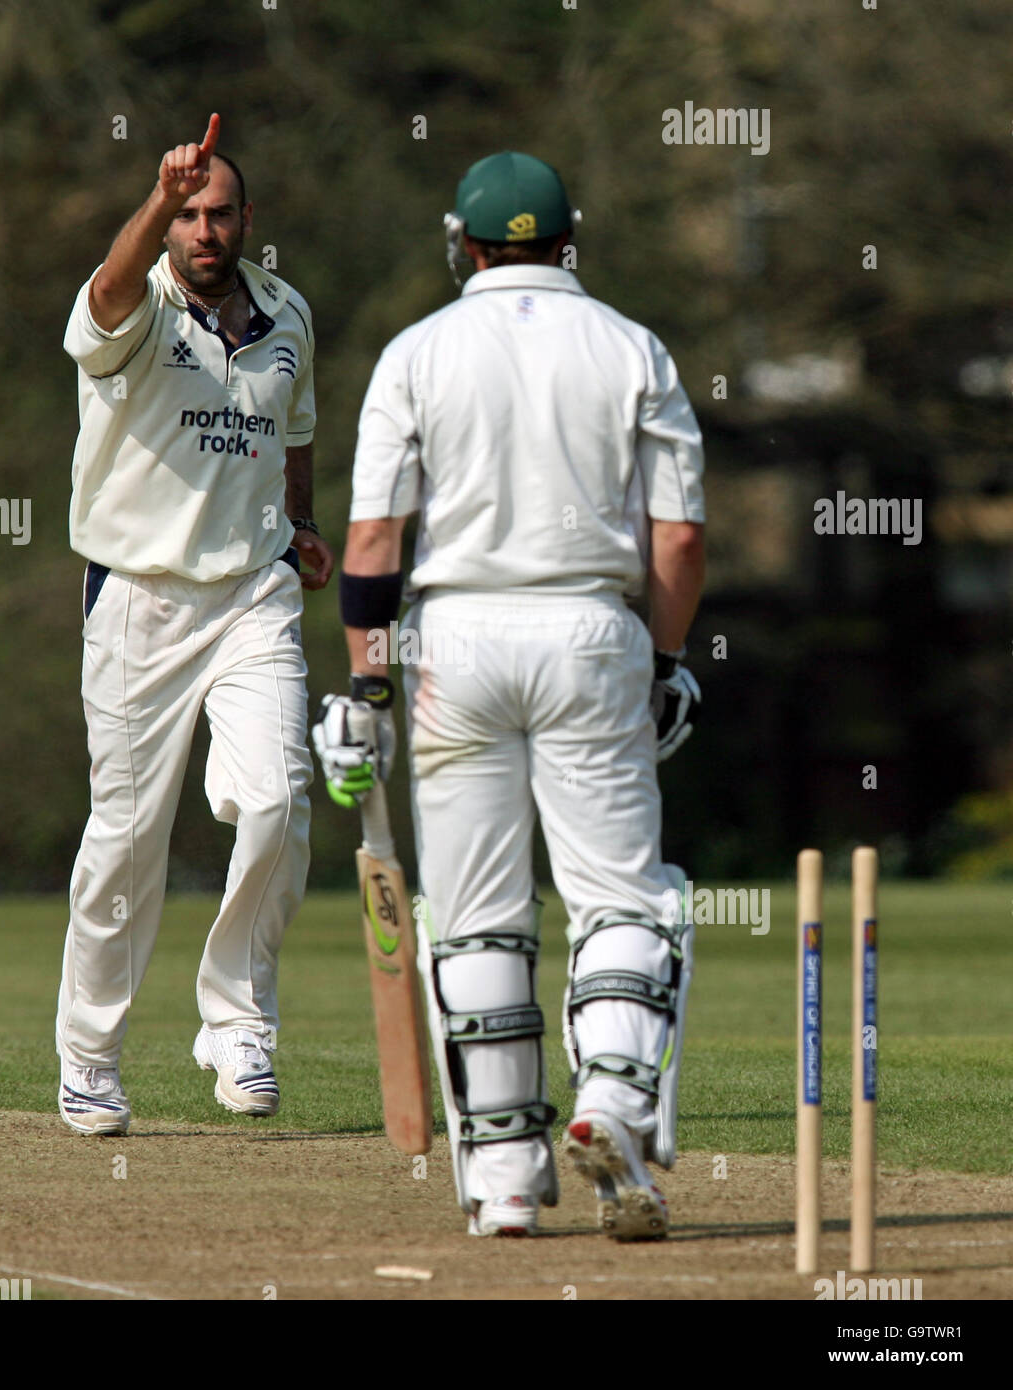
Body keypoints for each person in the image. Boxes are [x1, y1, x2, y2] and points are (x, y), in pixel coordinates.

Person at [313, 152, 704, 1238]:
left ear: (464, 244)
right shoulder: (633, 347)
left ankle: (501, 1181)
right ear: (568, 242)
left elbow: (374, 543)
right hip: (590, 633)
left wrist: (366, 685)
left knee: (479, 914)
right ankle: (616, 1107)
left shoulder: (415, 353)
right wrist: (664, 662)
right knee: (619, 897)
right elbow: (675, 537)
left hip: (455, 645)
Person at [56, 114, 333, 1136]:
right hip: (138, 596)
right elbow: (104, 295)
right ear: (168, 222)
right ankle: (88, 1055)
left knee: (275, 800)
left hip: (251, 593)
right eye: (188, 215)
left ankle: (237, 1021)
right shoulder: (137, 303)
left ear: (246, 220)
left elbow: (292, 429)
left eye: (220, 215)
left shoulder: (288, 314)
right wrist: (152, 204)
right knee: (127, 840)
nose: (204, 232)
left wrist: (301, 526)